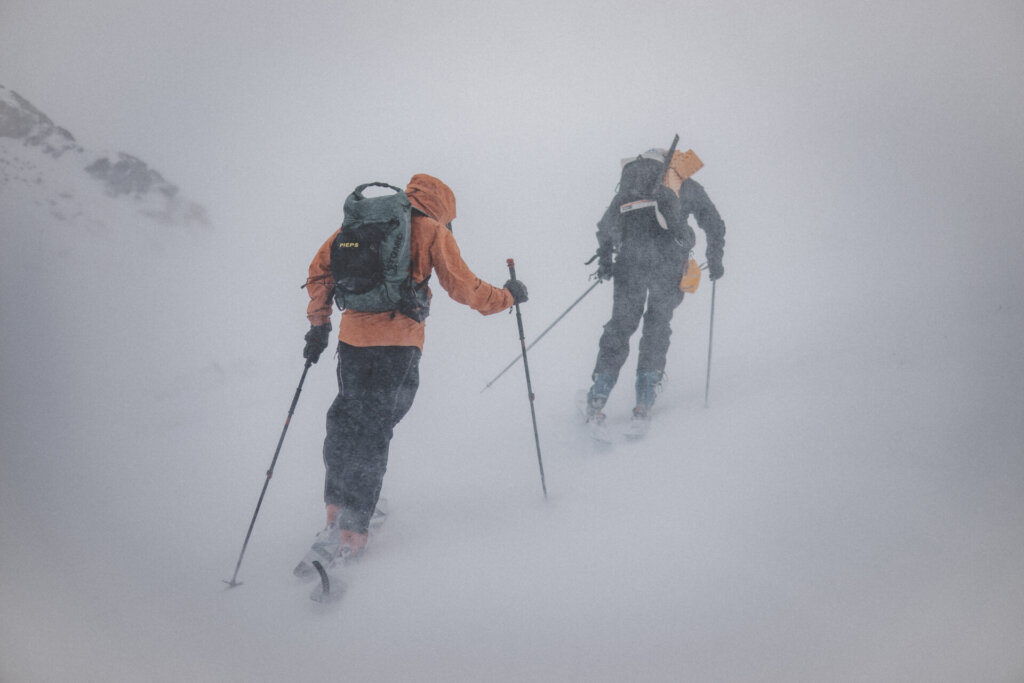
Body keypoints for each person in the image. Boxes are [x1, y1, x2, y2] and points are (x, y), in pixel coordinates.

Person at [296, 173, 527, 573]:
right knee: (375, 429)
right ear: (443, 207)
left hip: (352, 342)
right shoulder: (431, 230)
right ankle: (355, 529)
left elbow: (320, 271)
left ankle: (336, 511)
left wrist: (319, 324)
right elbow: (464, 287)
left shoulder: (358, 224)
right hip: (399, 345)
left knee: (347, 421)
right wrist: (507, 297)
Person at [584, 146, 725, 427]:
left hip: (629, 262)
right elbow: (714, 222)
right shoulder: (685, 185)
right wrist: (715, 258)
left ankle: (600, 391)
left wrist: (606, 260)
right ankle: (645, 395)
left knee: (621, 324)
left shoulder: (631, 189)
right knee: (658, 323)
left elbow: (605, 226)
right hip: (669, 263)